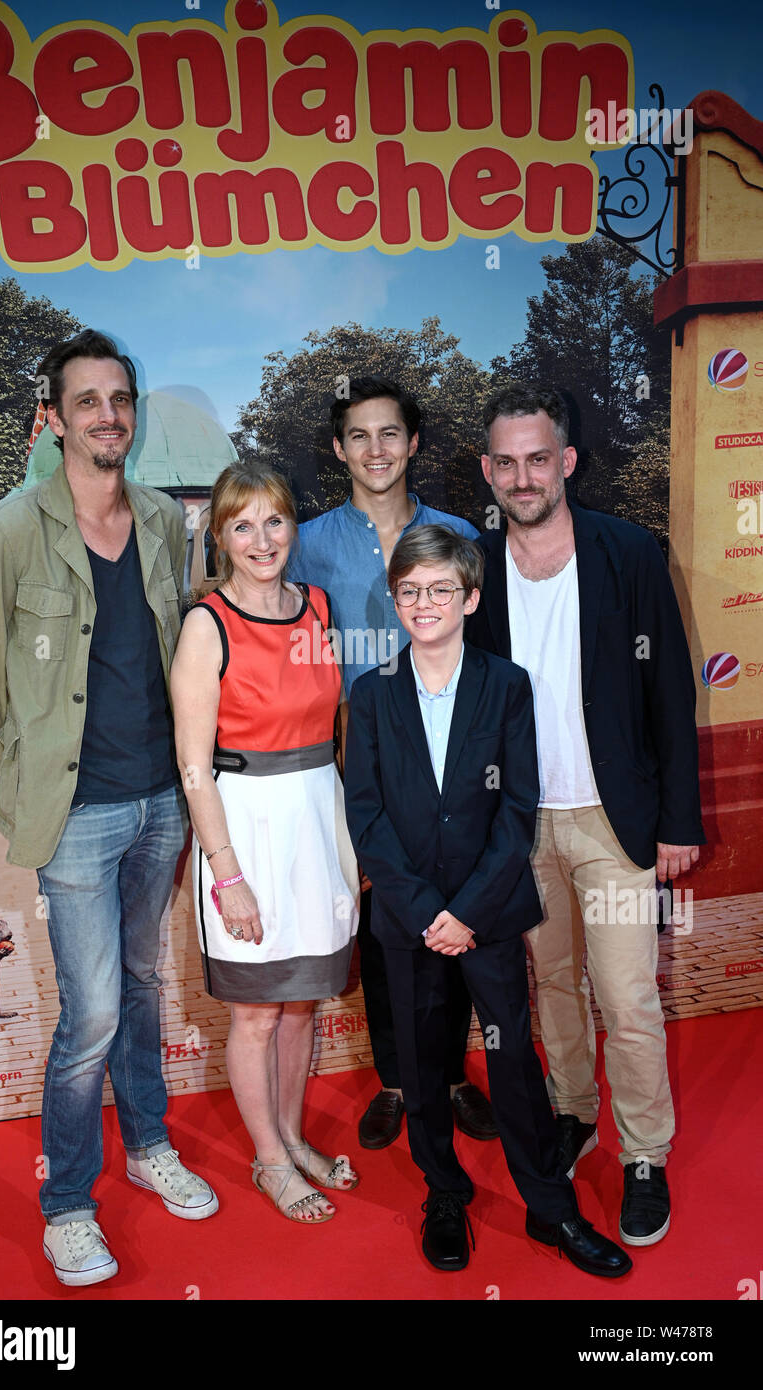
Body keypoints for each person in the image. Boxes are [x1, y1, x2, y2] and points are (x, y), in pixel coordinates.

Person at [0, 329, 216, 1288]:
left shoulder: (158, 518)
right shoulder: (5, 532)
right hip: (78, 815)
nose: (108, 416)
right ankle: (67, 1203)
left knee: (142, 989)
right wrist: (21, 789)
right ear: (52, 419)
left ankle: (148, 1144)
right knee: (92, 1012)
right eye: (88, 401)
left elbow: (174, 644)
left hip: (159, 804)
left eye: (120, 400)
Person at [344, 525, 631, 1275]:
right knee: (422, 1060)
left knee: (512, 1067)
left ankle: (550, 1209)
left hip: (490, 918)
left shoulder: (506, 685)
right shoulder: (369, 694)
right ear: (394, 599)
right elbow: (366, 817)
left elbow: (517, 812)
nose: (424, 602)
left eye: (440, 588)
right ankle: (442, 1192)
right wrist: (422, 910)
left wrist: (466, 912)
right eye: (409, 589)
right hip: (409, 926)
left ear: (470, 597)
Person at [466, 382, 705, 1247]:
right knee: (550, 987)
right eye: (506, 461)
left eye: (538, 459)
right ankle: (573, 1114)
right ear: (486, 469)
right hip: (520, 827)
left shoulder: (627, 553)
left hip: (612, 823)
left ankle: (644, 1154)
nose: (522, 476)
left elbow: (669, 692)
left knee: (626, 995)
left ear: (565, 462)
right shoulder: (474, 567)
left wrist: (678, 820)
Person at [296, 376, 496, 1151]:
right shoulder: (308, 543)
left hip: (451, 756)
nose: (374, 449)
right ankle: (393, 1081)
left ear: (413, 443)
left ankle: (449, 1077)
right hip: (355, 757)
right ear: (339, 449)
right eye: (358, 436)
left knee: (451, 917)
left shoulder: (458, 535)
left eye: (389, 434)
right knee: (384, 926)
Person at [170, 462, 360, 1225]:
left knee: (302, 1005)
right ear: (219, 537)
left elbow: (337, 731)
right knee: (255, 1014)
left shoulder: (318, 606)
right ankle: (270, 1161)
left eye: (274, 521)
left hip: (319, 816)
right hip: (242, 826)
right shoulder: (204, 625)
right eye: (241, 525)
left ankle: (290, 1135)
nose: (261, 539)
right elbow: (192, 768)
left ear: (292, 526)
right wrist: (226, 877)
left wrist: (354, 843)